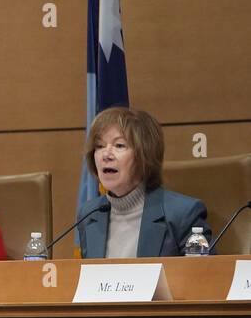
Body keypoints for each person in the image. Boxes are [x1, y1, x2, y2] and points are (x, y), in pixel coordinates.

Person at [77, 106, 211, 258]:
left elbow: (203, 278)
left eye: (119, 145)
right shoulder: (89, 214)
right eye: (99, 146)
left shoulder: (183, 214)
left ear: (144, 155)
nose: (106, 155)